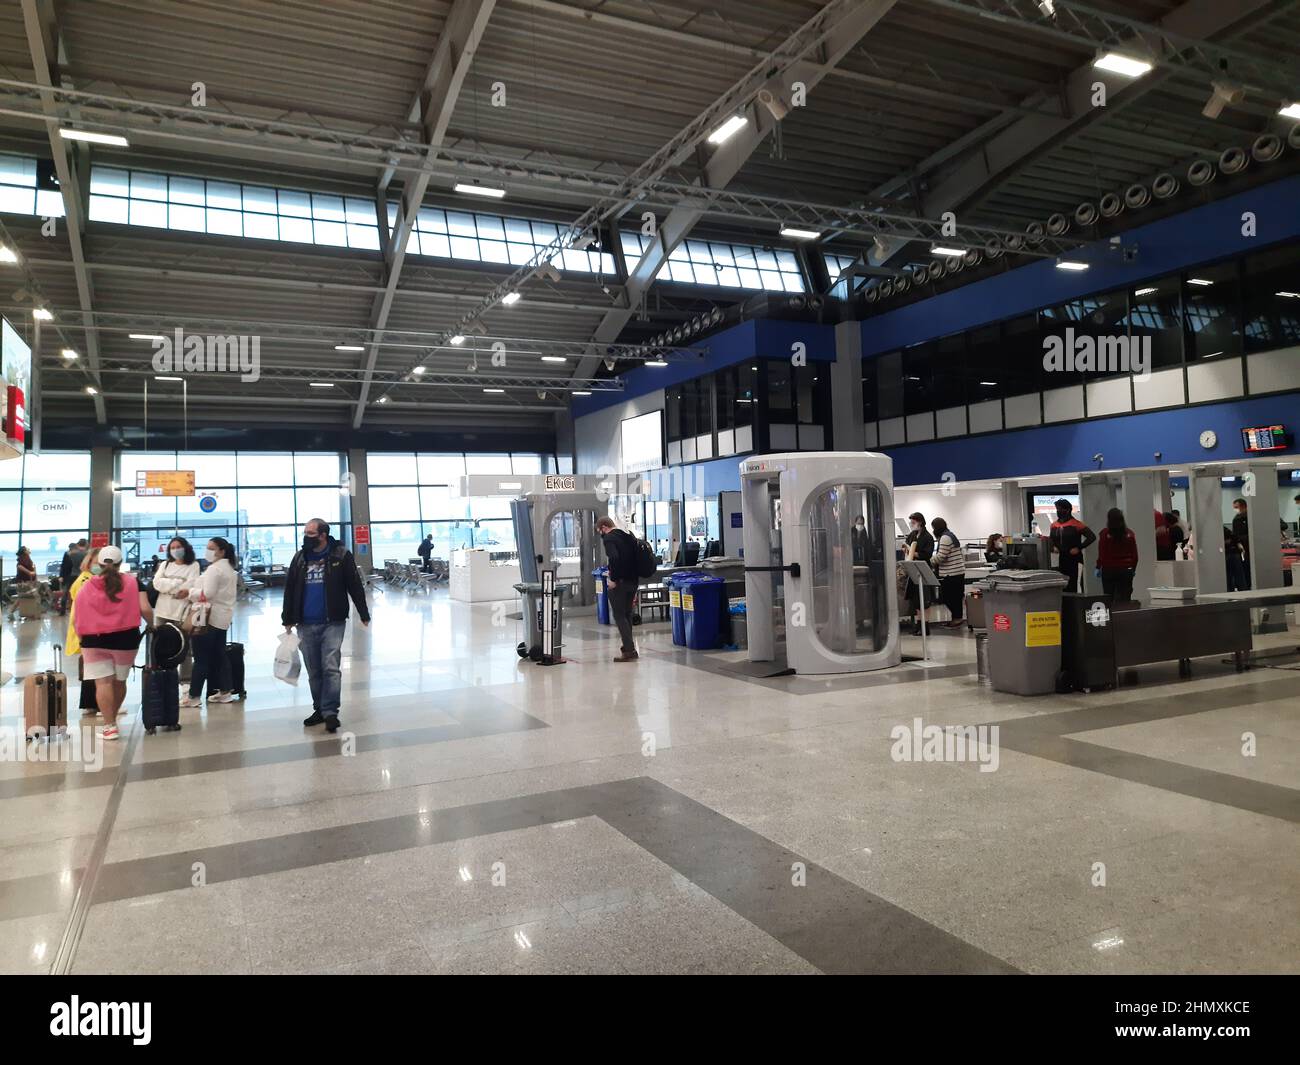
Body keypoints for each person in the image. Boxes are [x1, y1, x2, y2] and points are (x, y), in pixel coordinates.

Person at [282, 518, 370, 732]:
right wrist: (287, 618)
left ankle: (330, 712)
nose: (306, 537)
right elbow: (290, 588)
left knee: (331, 667)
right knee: (314, 670)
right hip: (305, 622)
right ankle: (319, 709)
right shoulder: (300, 557)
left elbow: (354, 584)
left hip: (333, 621)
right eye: (305, 533)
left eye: (311, 533)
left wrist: (363, 612)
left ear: (323, 535)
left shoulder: (340, 555)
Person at [72, 545, 142, 742]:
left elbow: (78, 615)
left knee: (102, 683)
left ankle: (109, 724)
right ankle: (112, 717)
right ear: (120, 563)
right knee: (120, 681)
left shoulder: (87, 585)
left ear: (99, 563)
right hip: (126, 638)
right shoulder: (131, 582)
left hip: (93, 639)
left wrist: (80, 637)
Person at [182, 537, 239, 708]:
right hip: (222, 618)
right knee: (219, 655)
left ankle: (194, 696)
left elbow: (208, 593)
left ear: (222, 551)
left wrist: (190, 591)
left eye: (212, 548)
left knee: (200, 658)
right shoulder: (229, 568)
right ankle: (225, 691)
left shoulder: (215, 569)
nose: (208, 551)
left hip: (207, 618)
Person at [596, 515, 641, 662]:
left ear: (604, 528)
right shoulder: (627, 536)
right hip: (633, 581)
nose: (601, 535)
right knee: (627, 614)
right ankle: (629, 647)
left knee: (619, 615)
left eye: (600, 531)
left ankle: (629, 650)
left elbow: (614, 558)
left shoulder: (609, 538)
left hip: (620, 583)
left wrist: (613, 579)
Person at [65, 547, 100, 717]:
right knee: (94, 667)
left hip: (86, 628)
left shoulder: (90, 578)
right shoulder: (86, 580)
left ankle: (91, 703)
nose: (100, 565)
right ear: (89, 563)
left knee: (92, 667)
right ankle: (95, 703)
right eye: (97, 562)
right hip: (87, 629)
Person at [150, 537, 201, 625]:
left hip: (181, 612)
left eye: (178, 547)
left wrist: (166, 585)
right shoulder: (165, 564)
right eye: (172, 548)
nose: (175, 550)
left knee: (181, 637)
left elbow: (190, 586)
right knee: (160, 637)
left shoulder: (194, 565)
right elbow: (156, 583)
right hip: (162, 611)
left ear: (185, 548)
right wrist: (179, 581)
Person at [1049, 499, 1095, 594]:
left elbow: (1092, 537)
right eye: (1057, 509)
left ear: (1068, 510)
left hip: (1074, 558)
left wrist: (1079, 548)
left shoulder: (1077, 524)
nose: (1058, 511)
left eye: (1060, 509)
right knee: (1061, 584)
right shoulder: (1054, 525)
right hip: (1059, 558)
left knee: (1073, 583)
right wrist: (1053, 546)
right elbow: (1051, 540)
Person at [1097, 508, 1138, 604]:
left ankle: (1111, 617)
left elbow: (1102, 553)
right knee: (1125, 597)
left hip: (1108, 570)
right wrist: (1132, 569)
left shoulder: (1104, 533)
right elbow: (1135, 556)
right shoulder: (1129, 534)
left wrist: (1098, 567)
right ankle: (1125, 617)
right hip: (1126, 570)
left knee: (1108, 597)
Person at [931, 517, 965, 627]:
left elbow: (941, 556)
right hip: (957, 572)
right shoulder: (950, 534)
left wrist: (930, 560)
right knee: (956, 597)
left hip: (951, 573)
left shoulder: (945, 537)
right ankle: (956, 618)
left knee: (948, 597)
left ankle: (957, 618)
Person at [903, 512, 934, 627]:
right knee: (916, 599)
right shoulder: (912, 535)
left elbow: (927, 554)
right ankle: (918, 623)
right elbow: (907, 545)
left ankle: (925, 625)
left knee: (925, 599)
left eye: (913, 522)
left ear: (920, 522)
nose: (912, 524)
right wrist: (906, 549)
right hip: (913, 569)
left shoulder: (928, 537)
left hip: (923, 569)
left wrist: (914, 553)